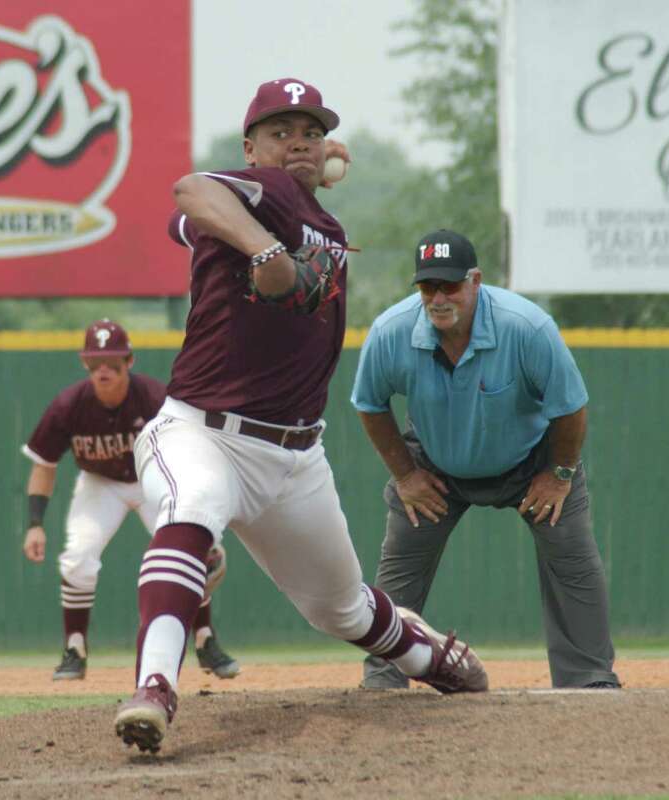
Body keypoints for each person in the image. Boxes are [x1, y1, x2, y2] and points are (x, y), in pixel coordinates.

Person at [112, 78, 488, 755]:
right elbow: (190, 191)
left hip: (294, 458)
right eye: (281, 131)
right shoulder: (270, 195)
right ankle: (154, 688)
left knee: (339, 606)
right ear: (249, 148)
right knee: (192, 506)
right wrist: (268, 243)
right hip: (204, 431)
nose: (300, 141)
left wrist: (292, 210)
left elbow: (193, 220)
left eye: (311, 132)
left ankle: (427, 657)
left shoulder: (313, 217)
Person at [351, 229, 621, 690]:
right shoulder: (392, 331)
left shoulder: (526, 327)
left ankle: (589, 681)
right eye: (427, 287)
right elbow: (369, 404)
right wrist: (405, 475)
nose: (438, 297)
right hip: (435, 461)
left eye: (449, 285)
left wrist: (559, 476)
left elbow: (571, 406)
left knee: (574, 561)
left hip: (534, 458)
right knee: (399, 570)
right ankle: (384, 681)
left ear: (475, 280)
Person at [22, 319, 240, 681]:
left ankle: (204, 639)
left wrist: (197, 503)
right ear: (83, 362)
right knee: (78, 556)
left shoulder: (155, 399)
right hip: (100, 482)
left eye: (112, 361)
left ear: (130, 361)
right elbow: (44, 466)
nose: (103, 370)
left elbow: (191, 447)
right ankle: (75, 648)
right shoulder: (69, 406)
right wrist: (34, 525)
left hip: (151, 479)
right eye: (95, 362)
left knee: (191, 551)